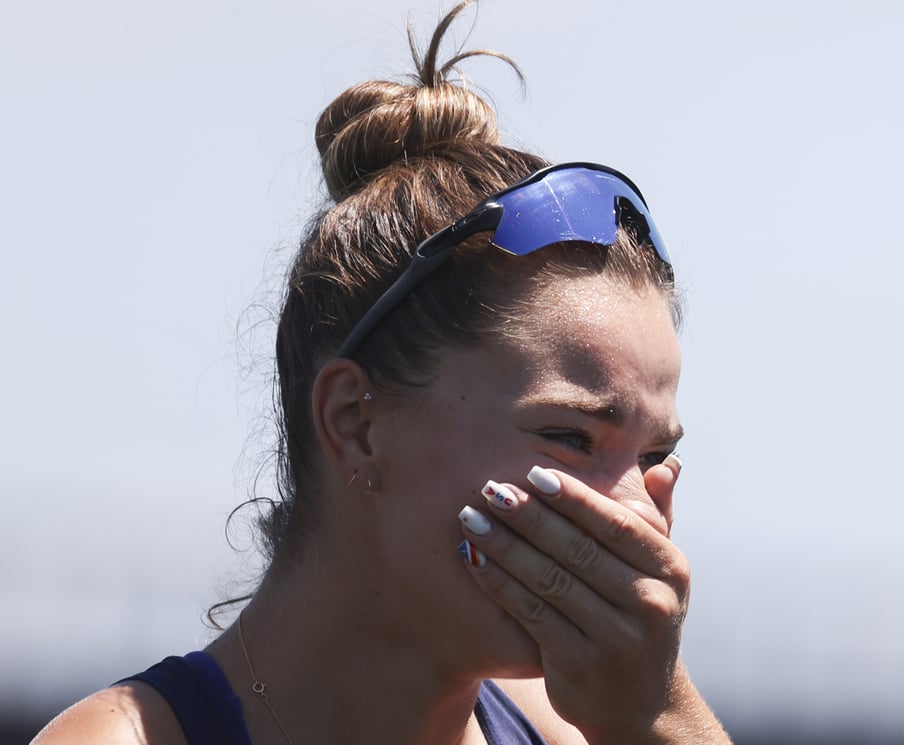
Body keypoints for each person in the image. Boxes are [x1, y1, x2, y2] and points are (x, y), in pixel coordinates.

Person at [33, 2, 731, 743]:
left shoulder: (573, 727)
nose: (639, 520)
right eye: (569, 435)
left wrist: (657, 717)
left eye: (654, 457)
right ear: (356, 424)